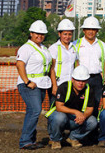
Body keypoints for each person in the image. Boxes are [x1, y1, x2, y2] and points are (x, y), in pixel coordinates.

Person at [15, 20, 52, 150]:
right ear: (31, 33)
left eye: (42, 34)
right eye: (37, 33)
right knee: (36, 110)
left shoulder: (43, 48)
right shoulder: (26, 48)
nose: (40, 36)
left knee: (32, 111)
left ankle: (30, 139)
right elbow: (20, 65)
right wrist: (27, 81)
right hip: (30, 84)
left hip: (41, 84)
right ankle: (25, 141)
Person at [46, 65, 98, 149]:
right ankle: (55, 140)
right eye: (78, 80)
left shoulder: (89, 90)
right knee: (59, 117)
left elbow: (90, 109)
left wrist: (83, 116)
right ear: (73, 79)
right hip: (62, 116)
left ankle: (73, 138)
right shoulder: (64, 87)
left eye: (83, 81)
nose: (81, 83)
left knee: (92, 121)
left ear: (87, 81)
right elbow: (59, 107)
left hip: (77, 119)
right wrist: (76, 112)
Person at [77, 16, 105, 110]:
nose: (90, 32)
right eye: (88, 29)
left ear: (97, 31)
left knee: (95, 103)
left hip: (97, 79)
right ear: (83, 30)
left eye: (93, 29)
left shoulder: (102, 45)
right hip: (81, 78)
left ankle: (93, 123)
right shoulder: (76, 44)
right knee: (79, 103)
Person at [48, 19, 78, 109]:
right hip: (58, 84)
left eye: (69, 34)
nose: (67, 37)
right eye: (65, 34)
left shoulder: (74, 48)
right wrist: (54, 85)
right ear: (59, 34)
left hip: (70, 85)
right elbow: (51, 68)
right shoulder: (54, 48)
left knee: (69, 109)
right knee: (55, 111)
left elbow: (76, 65)